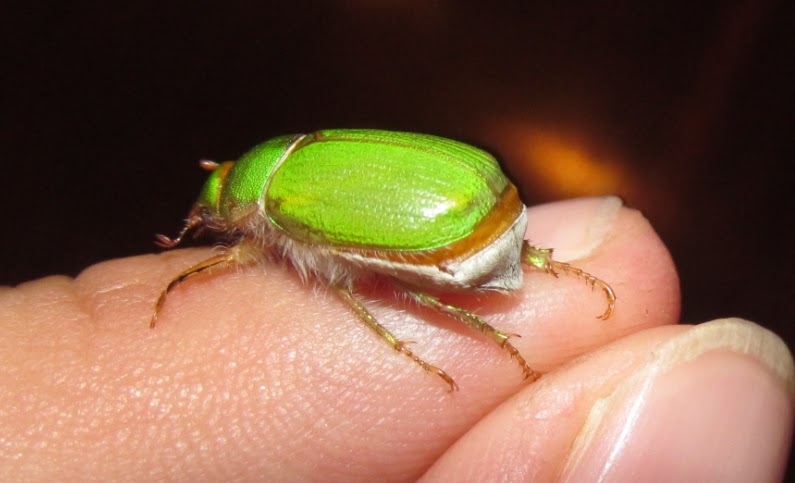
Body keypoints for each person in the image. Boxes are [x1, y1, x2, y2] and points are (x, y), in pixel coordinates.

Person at [1, 197, 792, 481]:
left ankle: (486, 319)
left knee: (375, 295)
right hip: (465, 203)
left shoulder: (278, 215)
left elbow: (344, 278)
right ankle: (535, 277)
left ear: (241, 209)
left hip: (443, 229)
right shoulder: (295, 169)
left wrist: (182, 275)